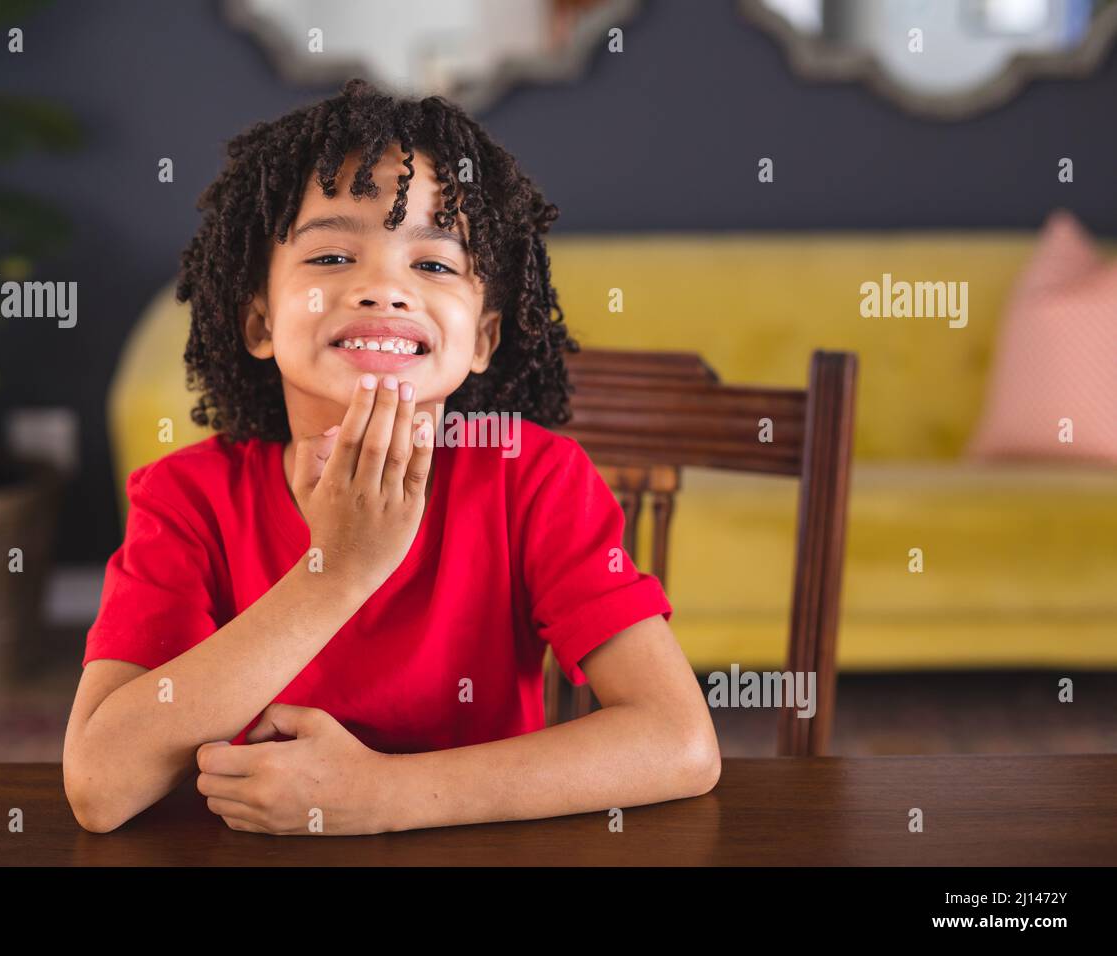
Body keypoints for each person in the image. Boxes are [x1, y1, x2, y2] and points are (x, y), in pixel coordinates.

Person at [63, 78, 720, 835]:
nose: (383, 288)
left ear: (482, 339)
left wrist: (379, 797)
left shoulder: (534, 480)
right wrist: (338, 573)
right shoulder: (185, 500)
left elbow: (680, 742)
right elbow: (99, 784)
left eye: (434, 265)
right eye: (334, 255)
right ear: (260, 321)